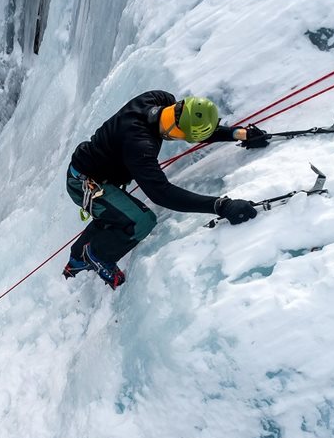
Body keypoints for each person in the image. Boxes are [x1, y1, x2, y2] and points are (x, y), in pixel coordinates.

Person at [63, 90, 269, 289]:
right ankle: (98, 255)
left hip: (93, 171)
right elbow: (162, 194)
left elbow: (190, 124)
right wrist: (221, 206)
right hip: (84, 184)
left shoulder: (159, 99)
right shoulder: (140, 144)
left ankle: (77, 257)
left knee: (118, 214)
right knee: (142, 220)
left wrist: (239, 134)